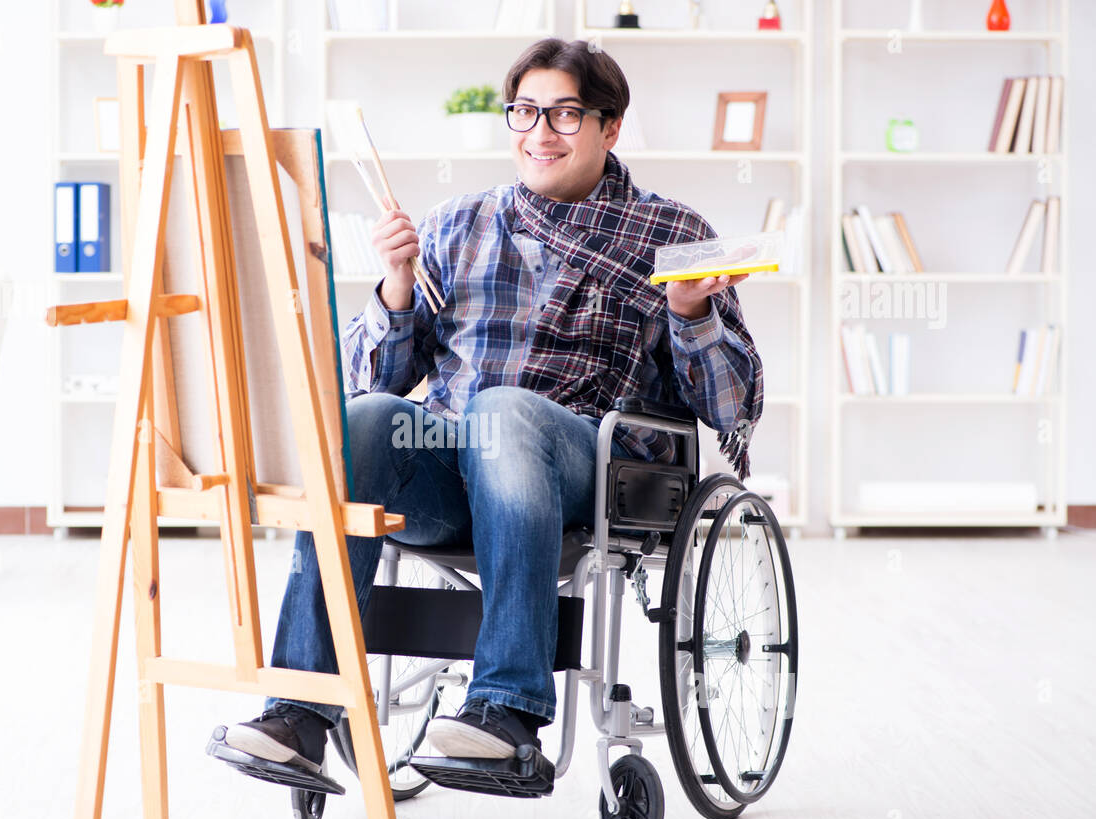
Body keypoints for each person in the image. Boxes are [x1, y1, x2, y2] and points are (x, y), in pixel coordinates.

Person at [218, 38, 764, 779]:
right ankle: (301, 710)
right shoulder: (458, 223)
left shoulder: (674, 236)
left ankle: (505, 712)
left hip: (584, 465)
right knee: (365, 421)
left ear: (610, 127)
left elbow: (728, 404)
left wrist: (691, 315)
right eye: (525, 111)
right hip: (454, 468)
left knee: (504, 413)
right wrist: (396, 287)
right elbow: (372, 376)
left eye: (565, 114)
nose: (540, 132)